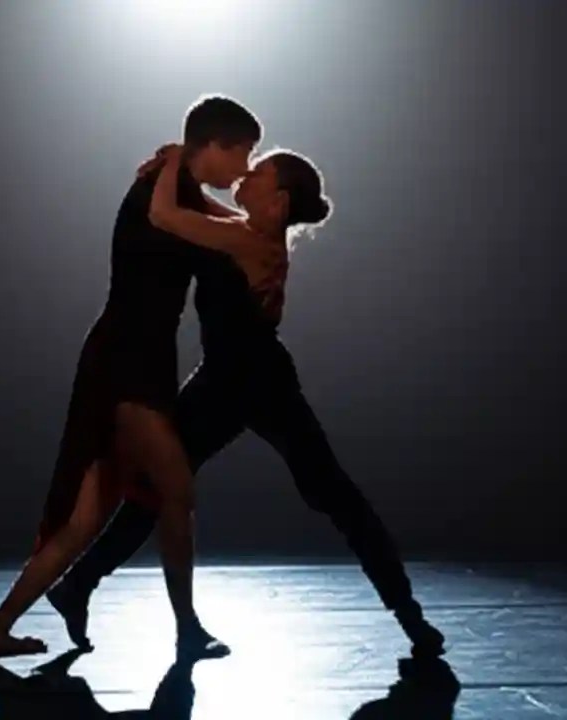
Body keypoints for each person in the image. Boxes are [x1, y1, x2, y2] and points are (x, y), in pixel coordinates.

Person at [47, 145, 450, 661]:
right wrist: (180, 168)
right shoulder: (245, 232)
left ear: (278, 202)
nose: (246, 174)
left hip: (259, 383)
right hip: (223, 380)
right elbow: (208, 213)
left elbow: (170, 216)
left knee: (335, 497)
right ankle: (79, 586)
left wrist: (173, 166)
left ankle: (409, 615)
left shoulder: (245, 242)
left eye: (259, 173)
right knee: (155, 490)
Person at [0, 96, 279, 659]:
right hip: (125, 360)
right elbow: (200, 223)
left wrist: (175, 161)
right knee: (176, 490)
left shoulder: (178, 190)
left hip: (140, 358)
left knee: (87, 519)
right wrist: (171, 160)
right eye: (244, 153)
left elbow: (232, 223)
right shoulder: (159, 193)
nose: (246, 168)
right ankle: (187, 629)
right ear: (214, 145)